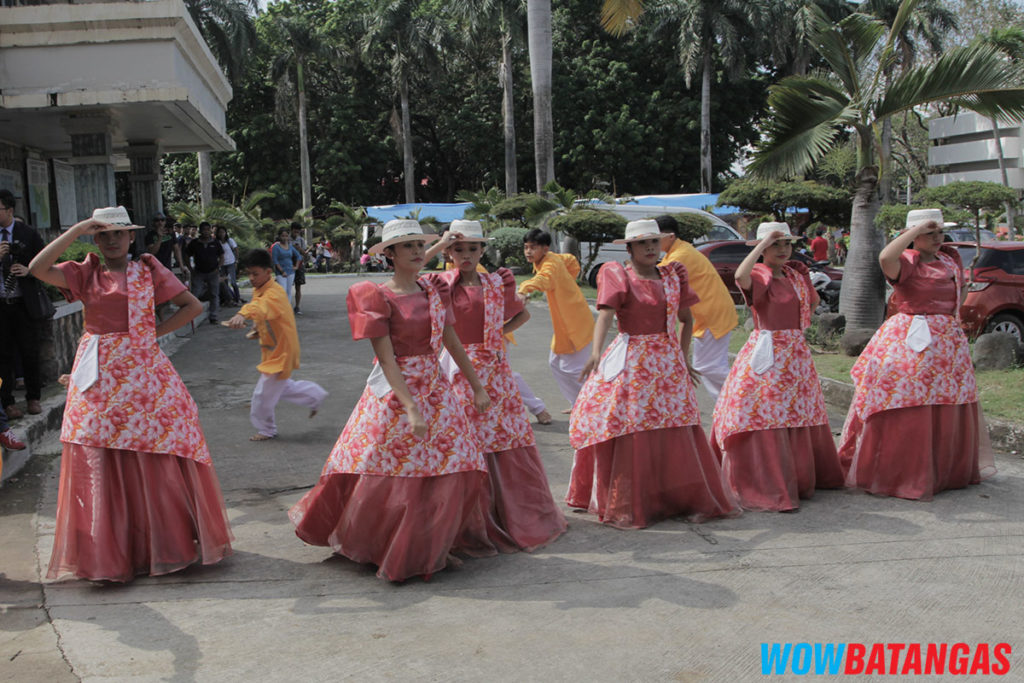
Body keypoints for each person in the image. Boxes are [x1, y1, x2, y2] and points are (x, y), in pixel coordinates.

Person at [29, 206, 232, 582]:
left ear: (131, 237)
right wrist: (76, 231)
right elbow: (37, 268)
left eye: (118, 233)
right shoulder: (85, 272)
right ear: (95, 238)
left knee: (153, 448)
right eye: (103, 234)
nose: (111, 240)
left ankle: (160, 543)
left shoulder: (148, 270)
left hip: (143, 372)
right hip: (98, 373)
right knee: (98, 451)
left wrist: (151, 334)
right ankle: (109, 552)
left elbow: (191, 306)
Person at [289, 219, 496, 582]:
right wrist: (411, 407)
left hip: (437, 387)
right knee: (396, 471)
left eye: (419, 245)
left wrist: (477, 386)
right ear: (389, 254)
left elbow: (450, 340)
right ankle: (388, 545)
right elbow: (386, 359)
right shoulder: (377, 296)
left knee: (454, 464)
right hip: (396, 390)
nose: (416, 251)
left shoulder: (433, 289)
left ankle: (433, 544)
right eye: (407, 246)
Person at [568, 220, 739, 528]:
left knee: (675, 422)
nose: (649, 248)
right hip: (633, 359)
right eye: (642, 243)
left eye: (654, 242)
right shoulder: (618, 274)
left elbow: (686, 319)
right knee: (631, 423)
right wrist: (595, 352)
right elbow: (605, 315)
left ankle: (674, 494)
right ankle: (634, 499)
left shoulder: (673, 275)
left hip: (668, 361)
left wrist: (682, 357)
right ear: (629, 248)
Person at [425, 220, 566, 551]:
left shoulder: (496, 282)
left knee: (502, 436)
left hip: (495, 369)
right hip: (456, 367)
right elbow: (411, 272)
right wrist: (439, 244)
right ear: (448, 252)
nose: (466, 255)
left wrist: (495, 334)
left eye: (473, 248)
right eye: (458, 249)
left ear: (482, 250)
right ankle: (466, 518)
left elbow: (523, 315)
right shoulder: (441, 284)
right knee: (464, 438)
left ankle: (506, 513)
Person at [839, 209, 995, 500]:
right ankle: (905, 471)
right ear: (914, 236)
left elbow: (958, 294)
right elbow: (885, 257)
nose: (937, 238)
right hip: (911, 338)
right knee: (909, 398)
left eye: (939, 232)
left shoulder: (948, 259)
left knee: (946, 399)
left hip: (946, 341)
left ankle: (942, 470)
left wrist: (947, 322)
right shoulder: (906, 261)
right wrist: (912, 232)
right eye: (929, 233)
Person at [710, 222, 845, 511]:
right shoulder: (760, 273)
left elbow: (813, 301)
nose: (783, 249)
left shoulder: (795, 274)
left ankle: (795, 475)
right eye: (776, 244)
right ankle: (768, 479)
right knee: (765, 410)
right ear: (763, 249)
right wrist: (760, 245)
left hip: (795, 351)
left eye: (786, 243)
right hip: (768, 350)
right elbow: (740, 276)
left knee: (796, 410)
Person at [226, 249, 327, 441]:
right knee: (284, 388)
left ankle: (266, 429)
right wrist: (256, 327)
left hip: (282, 352)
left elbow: (261, 307)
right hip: (274, 351)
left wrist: (242, 314)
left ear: (268, 272)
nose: (251, 278)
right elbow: (262, 311)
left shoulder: (274, 293)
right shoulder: (261, 289)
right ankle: (315, 395)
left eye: (255, 274)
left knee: (262, 396)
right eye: (249, 274)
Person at [656, 215, 738, 398]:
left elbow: (656, 277)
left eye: (655, 239)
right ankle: (729, 404)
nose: (652, 244)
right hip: (711, 313)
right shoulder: (679, 251)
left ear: (670, 236)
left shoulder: (680, 255)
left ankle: (743, 395)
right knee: (711, 366)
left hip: (712, 314)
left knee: (707, 366)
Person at [517, 228, 595, 409]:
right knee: (556, 364)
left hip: (575, 323)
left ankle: (592, 405)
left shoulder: (550, 264)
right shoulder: (551, 259)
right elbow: (571, 260)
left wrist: (524, 289)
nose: (528, 251)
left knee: (573, 369)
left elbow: (545, 279)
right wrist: (568, 278)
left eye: (533, 247)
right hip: (567, 322)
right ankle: (578, 403)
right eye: (526, 247)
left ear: (545, 248)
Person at [0, 189, 46, 418]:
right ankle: (7, 402)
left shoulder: (28, 233)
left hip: (23, 303)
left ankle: (33, 397)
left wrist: (29, 270)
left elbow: (46, 261)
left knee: (30, 352)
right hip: (1, 305)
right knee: (3, 355)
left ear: (9, 210)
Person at [185, 221, 223, 324]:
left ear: (210, 231)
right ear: (200, 231)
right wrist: (190, 268)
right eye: (204, 230)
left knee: (214, 294)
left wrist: (218, 267)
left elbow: (222, 256)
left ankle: (213, 316)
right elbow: (187, 256)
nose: (206, 232)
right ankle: (191, 315)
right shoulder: (194, 243)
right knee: (195, 294)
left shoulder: (215, 242)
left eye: (208, 229)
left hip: (213, 272)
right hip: (198, 272)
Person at [271, 227, 302, 307]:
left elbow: (299, 256)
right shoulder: (276, 247)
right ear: (279, 236)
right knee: (283, 291)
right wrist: (282, 271)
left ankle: (287, 309)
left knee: (288, 291)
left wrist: (296, 266)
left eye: (286, 236)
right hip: (280, 272)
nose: (284, 238)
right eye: (283, 236)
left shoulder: (290, 246)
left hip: (291, 272)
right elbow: (275, 260)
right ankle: (280, 308)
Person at [216, 225, 242, 306]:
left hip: (231, 263)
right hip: (222, 265)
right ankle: (229, 299)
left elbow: (236, 250)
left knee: (233, 282)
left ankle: (237, 299)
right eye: (220, 232)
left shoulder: (230, 241)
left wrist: (236, 261)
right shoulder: (216, 242)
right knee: (225, 283)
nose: (221, 234)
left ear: (225, 233)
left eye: (223, 232)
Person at [289, 223, 308, 315]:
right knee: (287, 287)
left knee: (298, 286)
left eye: (298, 230)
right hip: (288, 264)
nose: (296, 232)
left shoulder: (301, 240)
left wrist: (299, 248)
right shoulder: (286, 239)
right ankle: (285, 306)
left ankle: (297, 306)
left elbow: (304, 253)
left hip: (299, 264)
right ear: (291, 229)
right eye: (295, 230)